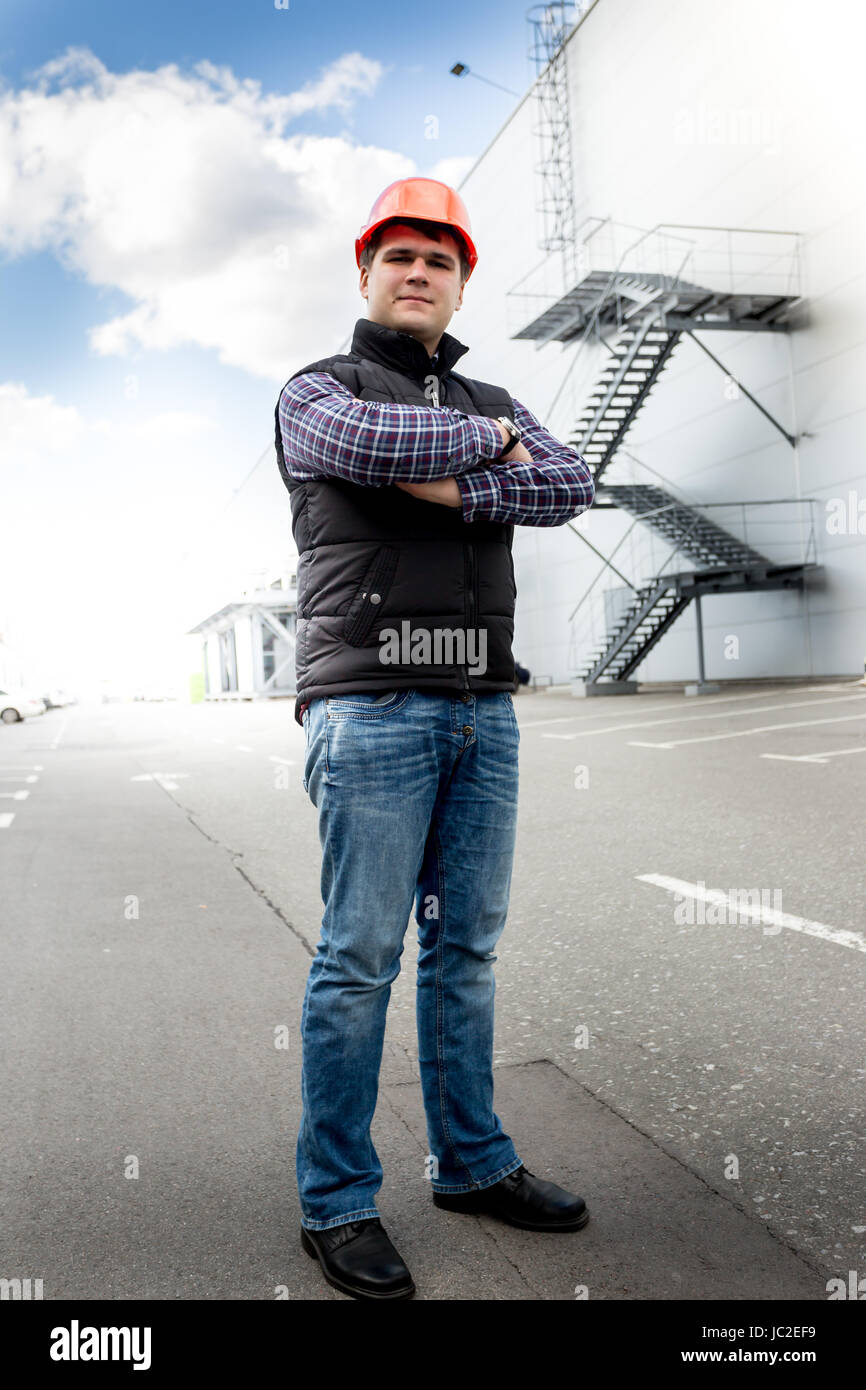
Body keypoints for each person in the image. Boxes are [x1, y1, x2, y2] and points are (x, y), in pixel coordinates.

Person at [275, 177, 595, 1300]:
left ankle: (470, 1162)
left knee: (464, 951)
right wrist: (490, 461)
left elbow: (566, 483)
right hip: (369, 701)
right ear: (366, 273)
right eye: (399, 256)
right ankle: (337, 1202)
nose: (419, 273)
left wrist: (455, 469)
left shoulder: (493, 390)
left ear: (459, 281)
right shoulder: (316, 389)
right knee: (360, 957)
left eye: (439, 260)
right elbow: (361, 440)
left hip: (481, 705)